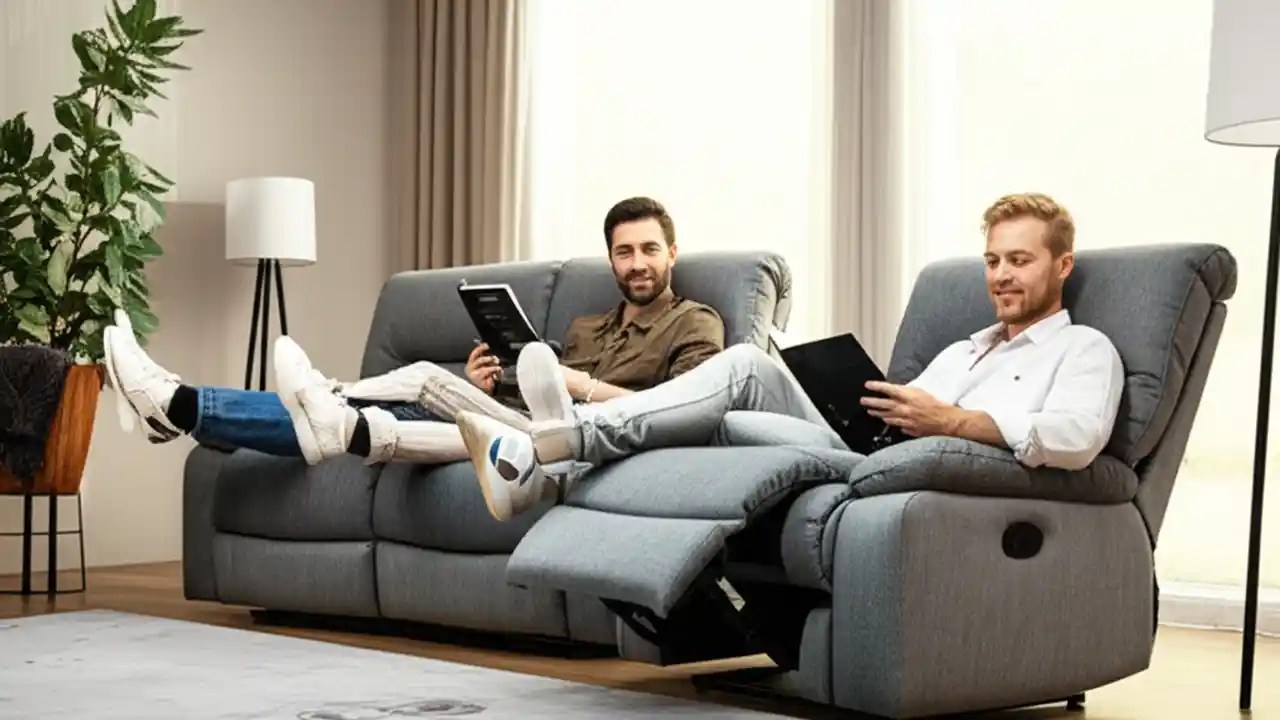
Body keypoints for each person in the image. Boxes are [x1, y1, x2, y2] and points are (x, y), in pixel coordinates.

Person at [456, 192, 1127, 521]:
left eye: (1019, 260)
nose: (1001, 275)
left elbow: (1076, 438)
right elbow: (901, 411)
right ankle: (550, 458)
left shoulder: (1083, 349)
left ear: (1062, 265)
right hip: (869, 445)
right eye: (993, 260)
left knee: (739, 369)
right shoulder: (963, 349)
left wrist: (950, 421)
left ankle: (553, 444)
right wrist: (873, 394)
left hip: (899, 468)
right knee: (735, 394)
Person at [105, 196, 725, 478]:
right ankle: (179, 406)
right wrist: (489, 382)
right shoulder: (588, 326)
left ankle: (318, 396)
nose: (637, 263)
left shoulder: (695, 322)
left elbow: (684, 412)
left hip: (582, 436)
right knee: (352, 423)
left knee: (426, 377)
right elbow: (535, 391)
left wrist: (579, 385)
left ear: (672, 253)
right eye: (624, 252)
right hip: (514, 419)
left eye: (649, 250)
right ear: (611, 259)